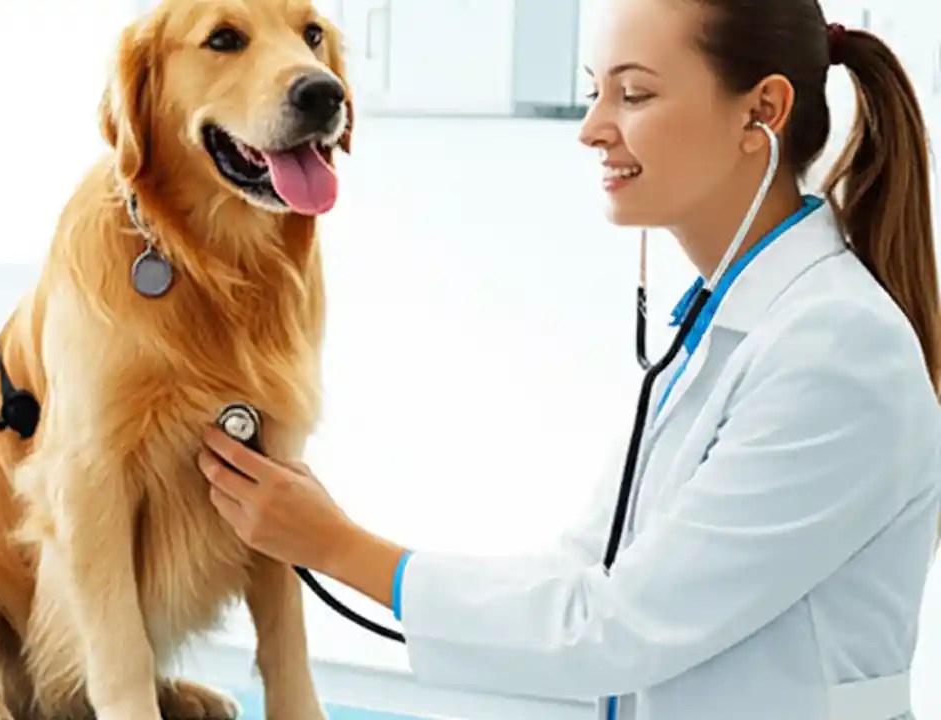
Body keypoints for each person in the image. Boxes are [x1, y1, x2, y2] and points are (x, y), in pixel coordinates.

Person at [198, 0, 941, 717]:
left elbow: (616, 627)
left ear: (763, 111)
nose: (591, 129)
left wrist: (336, 546)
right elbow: (583, 571)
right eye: (595, 91)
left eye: (635, 93)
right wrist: (332, 542)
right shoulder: (730, 329)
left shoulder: (839, 352)